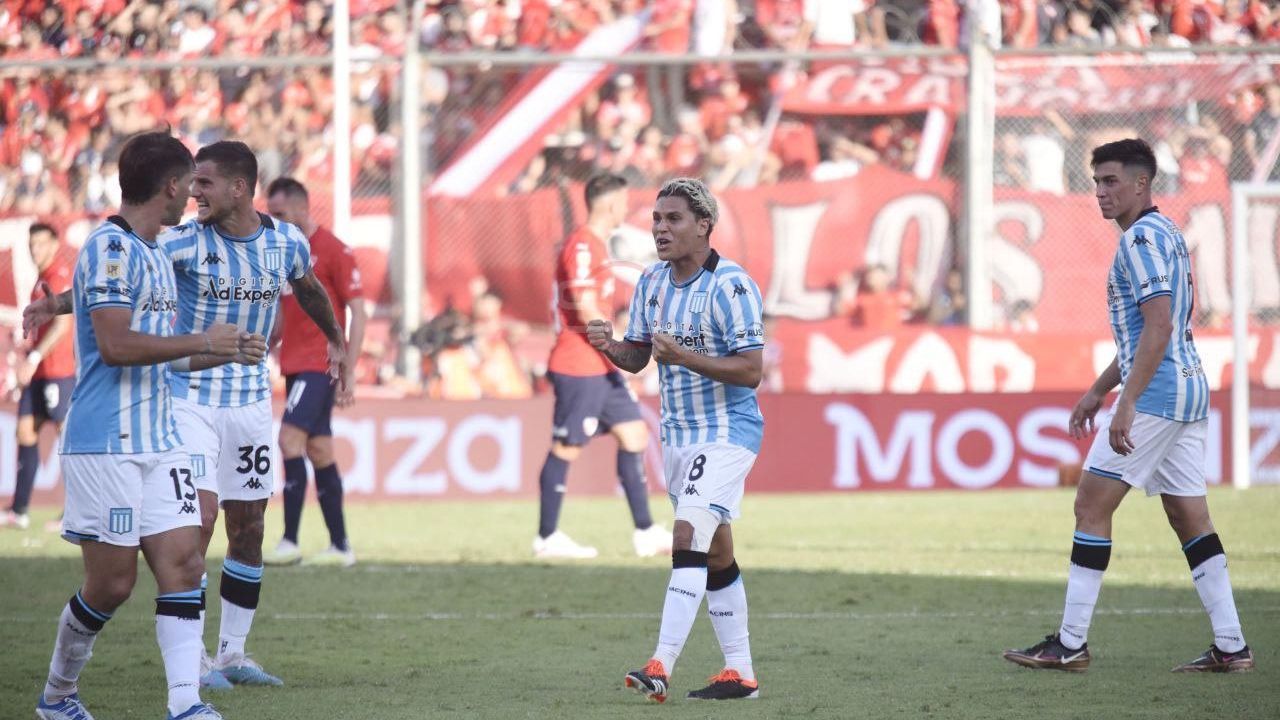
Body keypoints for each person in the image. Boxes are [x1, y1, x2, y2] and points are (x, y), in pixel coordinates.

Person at [30, 141, 348, 690]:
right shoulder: (181, 240)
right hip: (187, 399)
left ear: (240, 190)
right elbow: (110, 287)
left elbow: (309, 288)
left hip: (249, 402)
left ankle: (232, 653)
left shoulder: (283, 242)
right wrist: (53, 304)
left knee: (248, 527)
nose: (194, 192)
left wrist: (336, 340)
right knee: (196, 525)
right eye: (191, 182)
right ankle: (193, 659)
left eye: (205, 183)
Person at [24, 130, 264, 720]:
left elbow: (163, 349)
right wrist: (204, 337)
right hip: (108, 444)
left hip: (163, 438)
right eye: (189, 182)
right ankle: (57, 695)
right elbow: (116, 345)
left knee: (184, 560)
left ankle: (186, 703)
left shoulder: (157, 251)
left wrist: (223, 352)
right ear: (171, 185)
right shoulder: (108, 249)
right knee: (112, 585)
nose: (192, 195)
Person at [1002, 139, 1254, 674]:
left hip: (1158, 394)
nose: (1101, 192)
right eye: (1097, 182)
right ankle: (1232, 646)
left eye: (1112, 181)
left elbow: (1159, 326)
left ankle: (1070, 643)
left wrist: (1126, 402)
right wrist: (1099, 390)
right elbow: (1154, 330)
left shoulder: (1139, 239)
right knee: (1189, 517)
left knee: (1091, 505)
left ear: (1142, 184)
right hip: (1189, 387)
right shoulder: (1167, 233)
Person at [587, 177, 765, 702]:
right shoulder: (652, 283)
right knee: (715, 553)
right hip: (679, 436)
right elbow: (640, 356)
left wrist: (685, 357)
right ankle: (742, 674)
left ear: (704, 225)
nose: (660, 229)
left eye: (673, 219)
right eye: (656, 220)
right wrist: (610, 347)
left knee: (686, 535)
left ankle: (660, 663)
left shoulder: (731, 286)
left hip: (729, 431)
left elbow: (751, 370)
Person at [537, 172, 670, 559]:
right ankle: (547, 537)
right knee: (567, 446)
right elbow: (583, 304)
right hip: (579, 363)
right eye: (624, 201)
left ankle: (645, 531)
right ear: (610, 204)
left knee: (634, 435)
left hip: (600, 364)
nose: (627, 208)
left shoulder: (596, 246)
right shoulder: (581, 245)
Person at [261, 177, 366, 568]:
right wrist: (268, 341)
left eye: (280, 214)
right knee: (319, 450)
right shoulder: (282, 251)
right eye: (270, 215)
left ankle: (289, 540)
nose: (274, 221)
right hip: (294, 363)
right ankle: (341, 546)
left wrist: (349, 371)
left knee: (289, 440)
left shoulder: (333, 250)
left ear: (304, 209)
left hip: (320, 364)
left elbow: (359, 311)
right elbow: (282, 311)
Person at [2, 223, 74, 531]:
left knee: (67, 439)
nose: (36, 250)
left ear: (56, 243)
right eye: (32, 245)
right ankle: (19, 510)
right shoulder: (39, 280)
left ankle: (73, 510)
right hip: (38, 373)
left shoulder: (58, 276)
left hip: (58, 372)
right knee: (25, 433)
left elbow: (62, 326)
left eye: (42, 243)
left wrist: (33, 357)